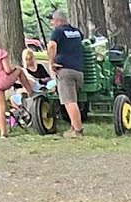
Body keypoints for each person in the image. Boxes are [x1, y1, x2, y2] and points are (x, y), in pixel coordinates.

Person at [0, 29, 35, 138]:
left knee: (0, 107)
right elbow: (7, 70)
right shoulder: (1, 53)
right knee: (19, 71)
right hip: (3, 80)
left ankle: (3, 133)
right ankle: (30, 92)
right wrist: (14, 68)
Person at [48, 9, 85, 138]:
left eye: (52, 20)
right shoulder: (77, 32)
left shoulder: (57, 32)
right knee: (74, 100)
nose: (52, 23)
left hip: (65, 70)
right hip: (79, 70)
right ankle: (73, 127)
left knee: (69, 101)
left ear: (58, 20)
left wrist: (51, 62)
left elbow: (52, 46)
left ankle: (78, 131)